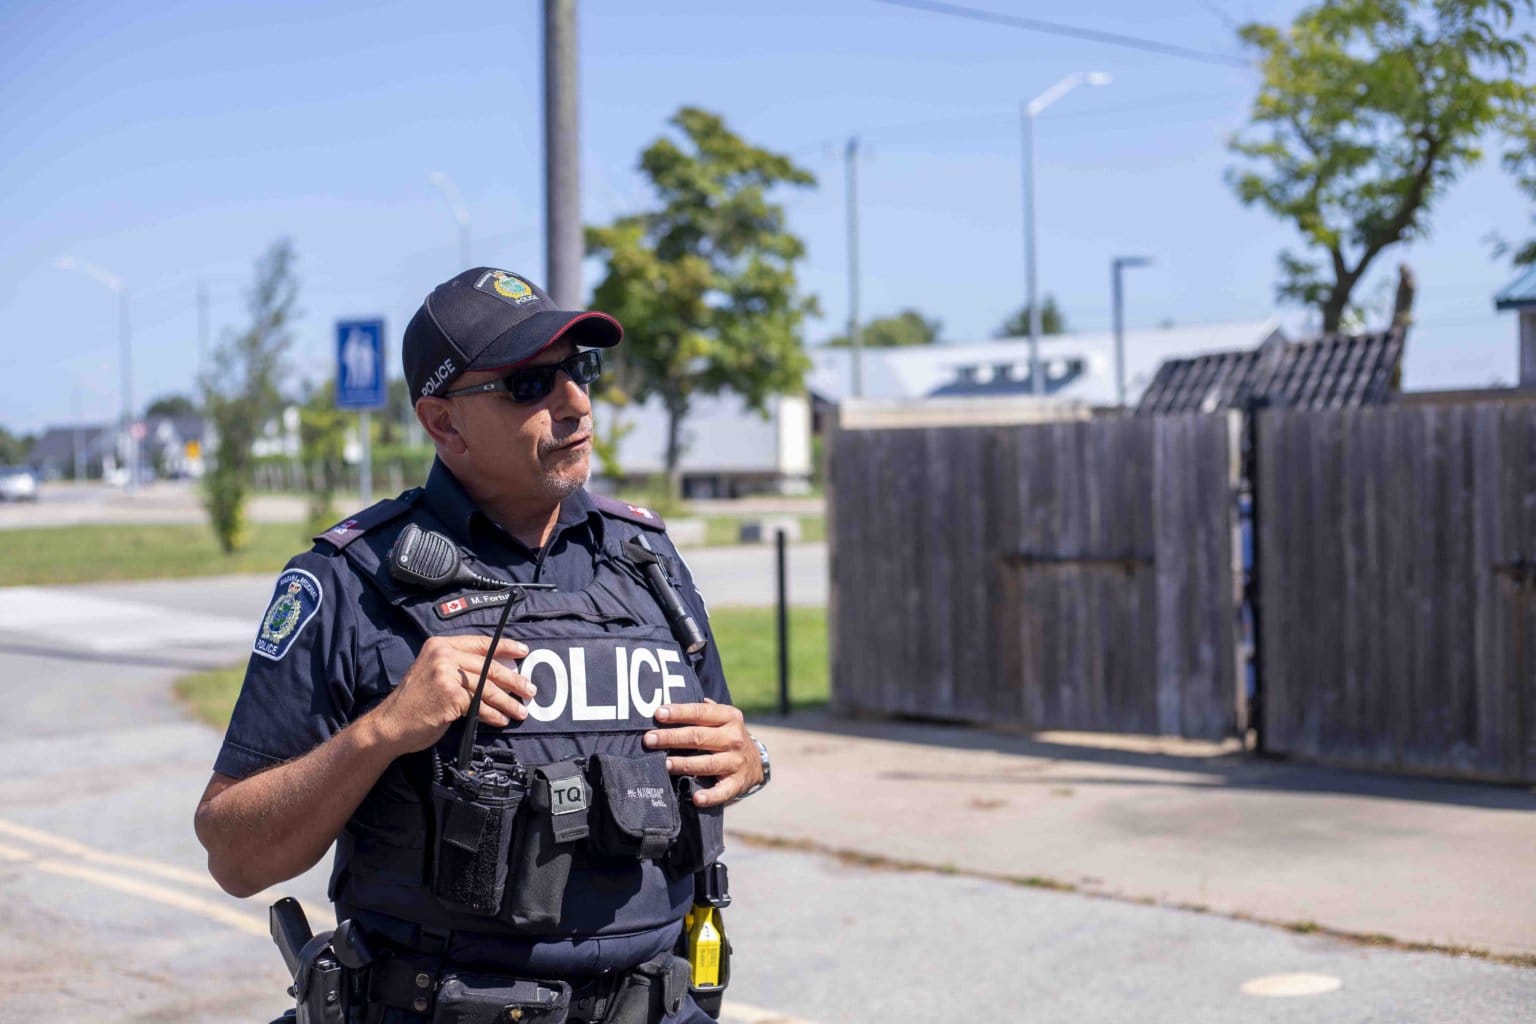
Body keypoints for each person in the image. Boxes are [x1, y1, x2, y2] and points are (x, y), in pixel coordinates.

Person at [194, 268, 769, 1024]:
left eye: (577, 370)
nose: (574, 402)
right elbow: (235, 855)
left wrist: (748, 761)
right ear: (443, 423)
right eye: (530, 383)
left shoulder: (647, 561)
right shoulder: (347, 580)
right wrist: (385, 730)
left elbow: (717, 748)